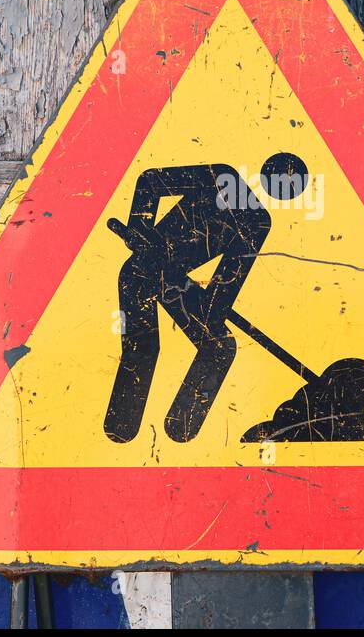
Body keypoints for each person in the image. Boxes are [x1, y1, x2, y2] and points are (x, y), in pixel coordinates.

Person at [103, 154, 307, 442]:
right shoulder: (220, 177)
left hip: (175, 282)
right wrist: (139, 224)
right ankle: (122, 425)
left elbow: (224, 288)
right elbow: (150, 181)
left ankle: (180, 429)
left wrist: (204, 306)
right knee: (143, 346)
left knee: (220, 347)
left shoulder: (258, 223)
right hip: (138, 273)